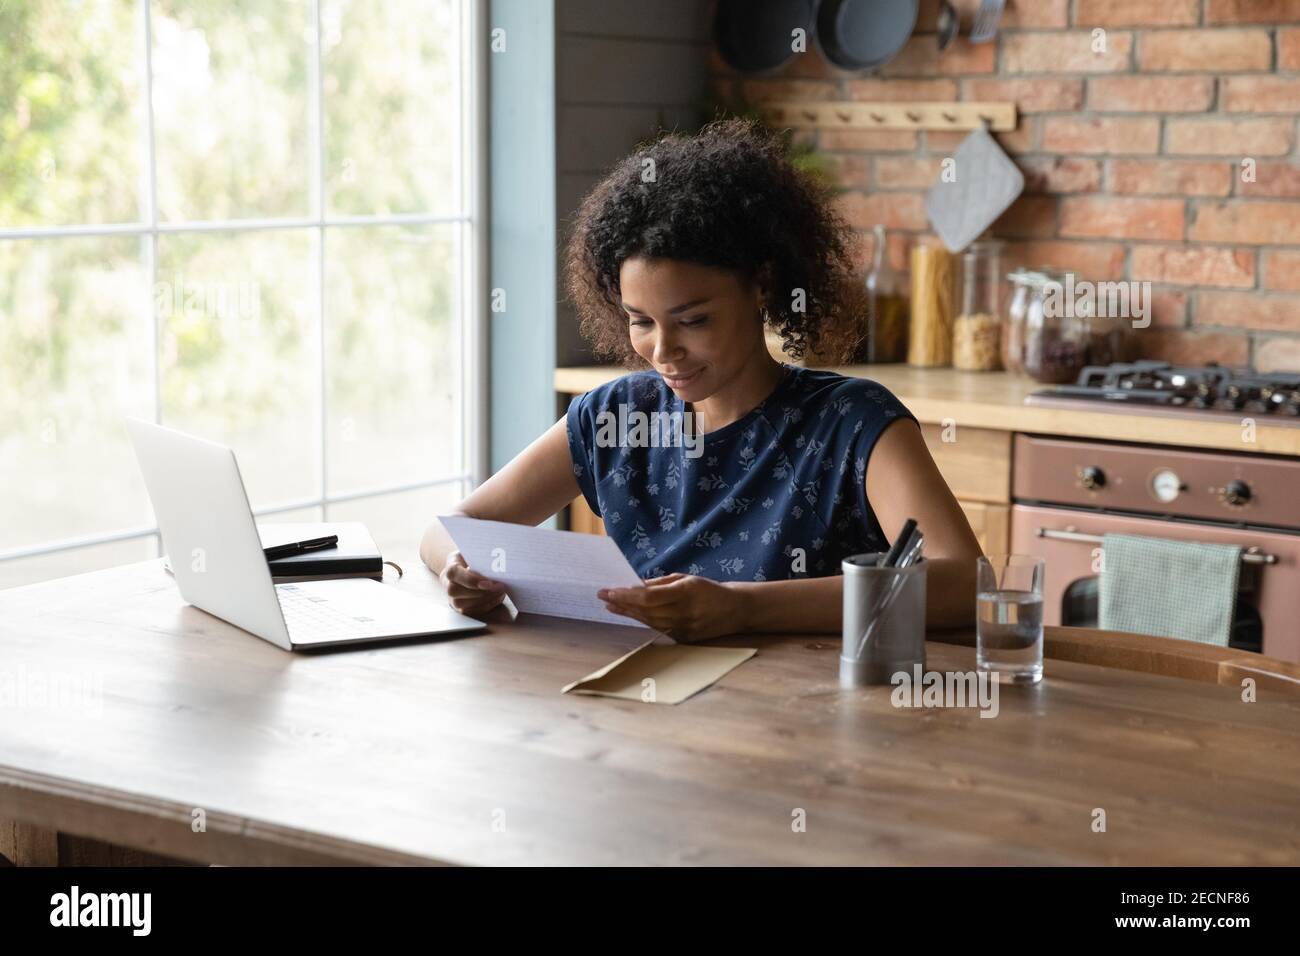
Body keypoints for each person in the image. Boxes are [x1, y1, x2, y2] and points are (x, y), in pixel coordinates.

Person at [420, 118, 981, 641]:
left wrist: (742, 607)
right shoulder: (615, 418)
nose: (663, 352)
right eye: (641, 322)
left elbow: (962, 581)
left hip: (803, 720)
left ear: (761, 285)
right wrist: (456, 567)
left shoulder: (851, 422)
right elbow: (451, 527)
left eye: (693, 321)